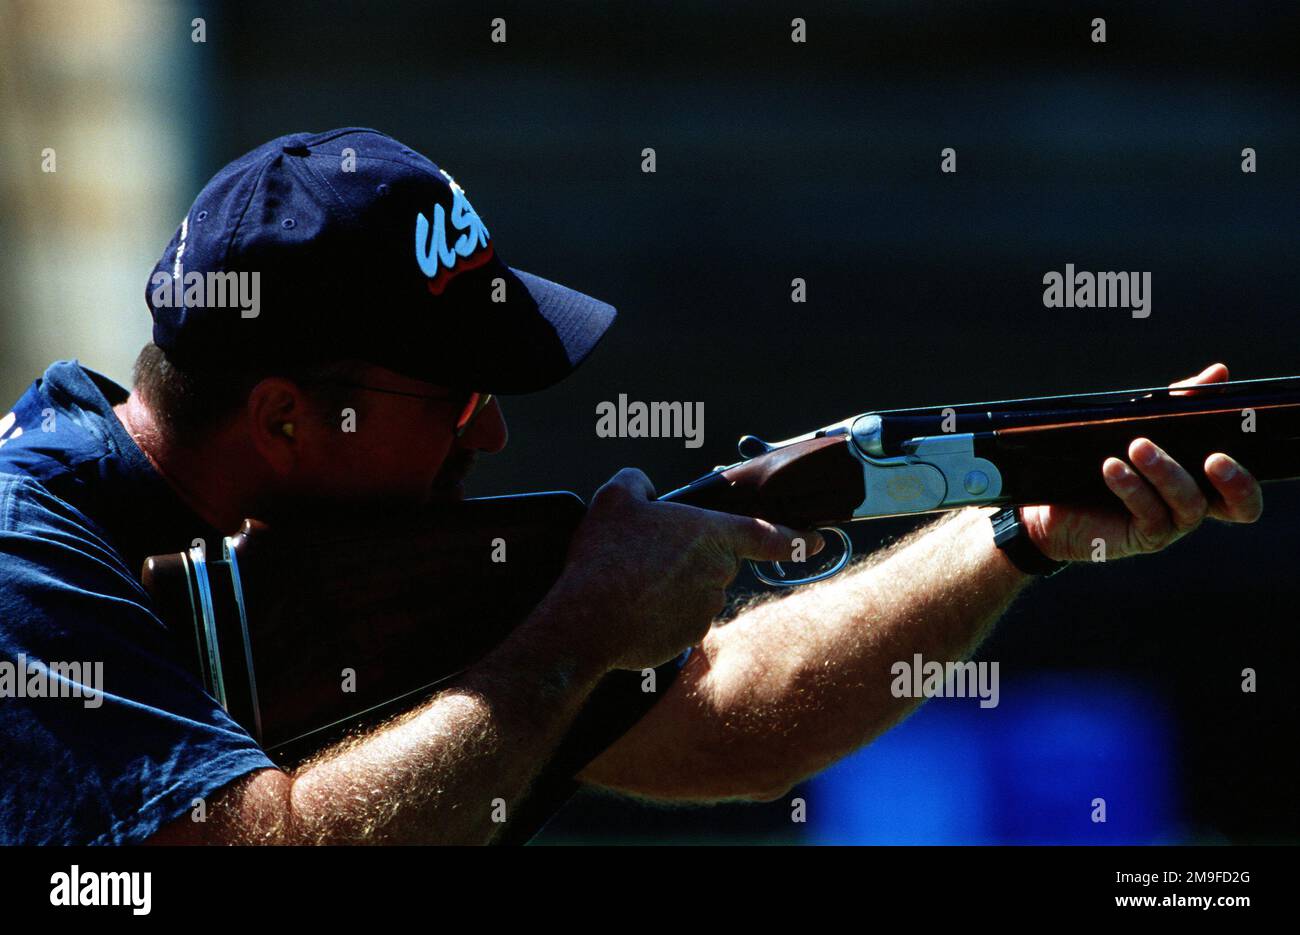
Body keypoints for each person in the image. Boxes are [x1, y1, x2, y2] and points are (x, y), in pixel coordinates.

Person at [0, 129, 1263, 845]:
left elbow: (730, 720)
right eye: (454, 397)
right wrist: (568, 640)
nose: (491, 435)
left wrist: (1010, 537)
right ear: (282, 414)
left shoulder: (334, 551)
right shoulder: (28, 560)